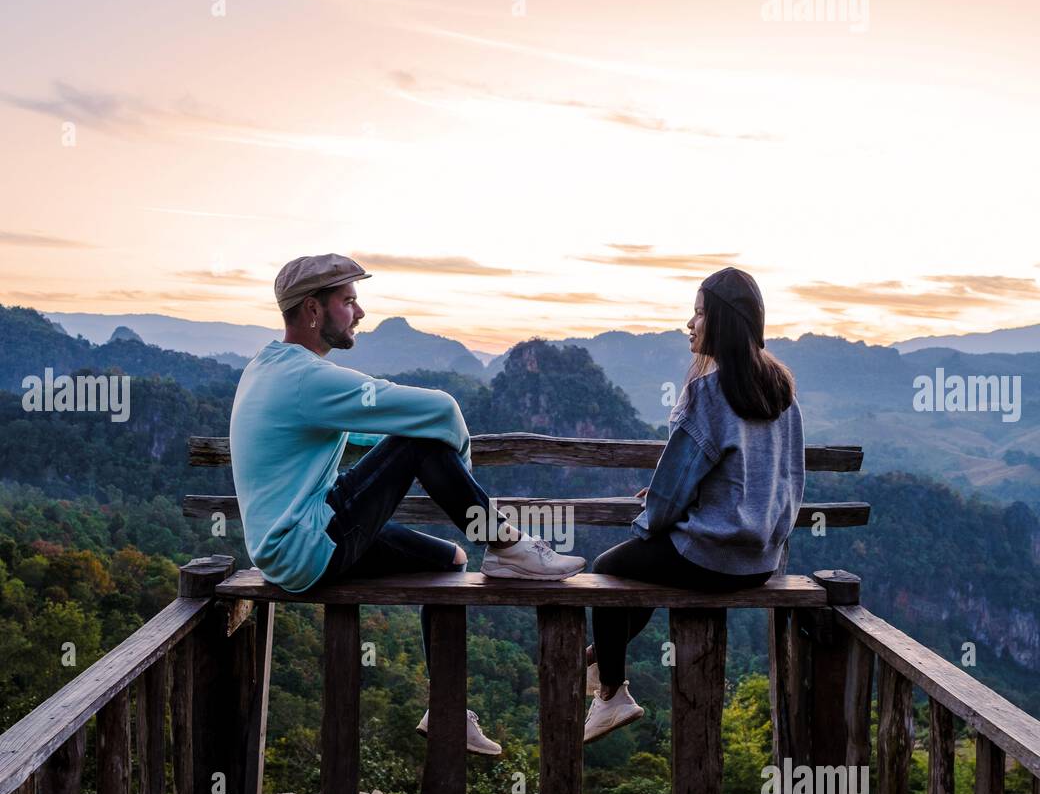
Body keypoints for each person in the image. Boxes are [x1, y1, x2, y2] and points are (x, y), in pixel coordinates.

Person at [229, 253, 585, 757]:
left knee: (451, 561)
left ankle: (445, 708)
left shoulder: (270, 367)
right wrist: (454, 463)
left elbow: (342, 430)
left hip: (294, 542)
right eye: (349, 301)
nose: (361, 313)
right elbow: (440, 408)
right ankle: (505, 543)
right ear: (312, 310)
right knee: (420, 440)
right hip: (307, 544)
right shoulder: (306, 380)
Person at [583, 266, 805, 743]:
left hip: (711, 557)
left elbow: (671, 491)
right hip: (762, 561)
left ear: (720, 322)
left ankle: (609, 693)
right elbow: (786, 481)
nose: (690, 323)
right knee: (641, 566)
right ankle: (602, 659)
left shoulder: (707, 393)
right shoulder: (783, 393)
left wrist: (652, 521)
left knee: (607, 570)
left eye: (699, 313)